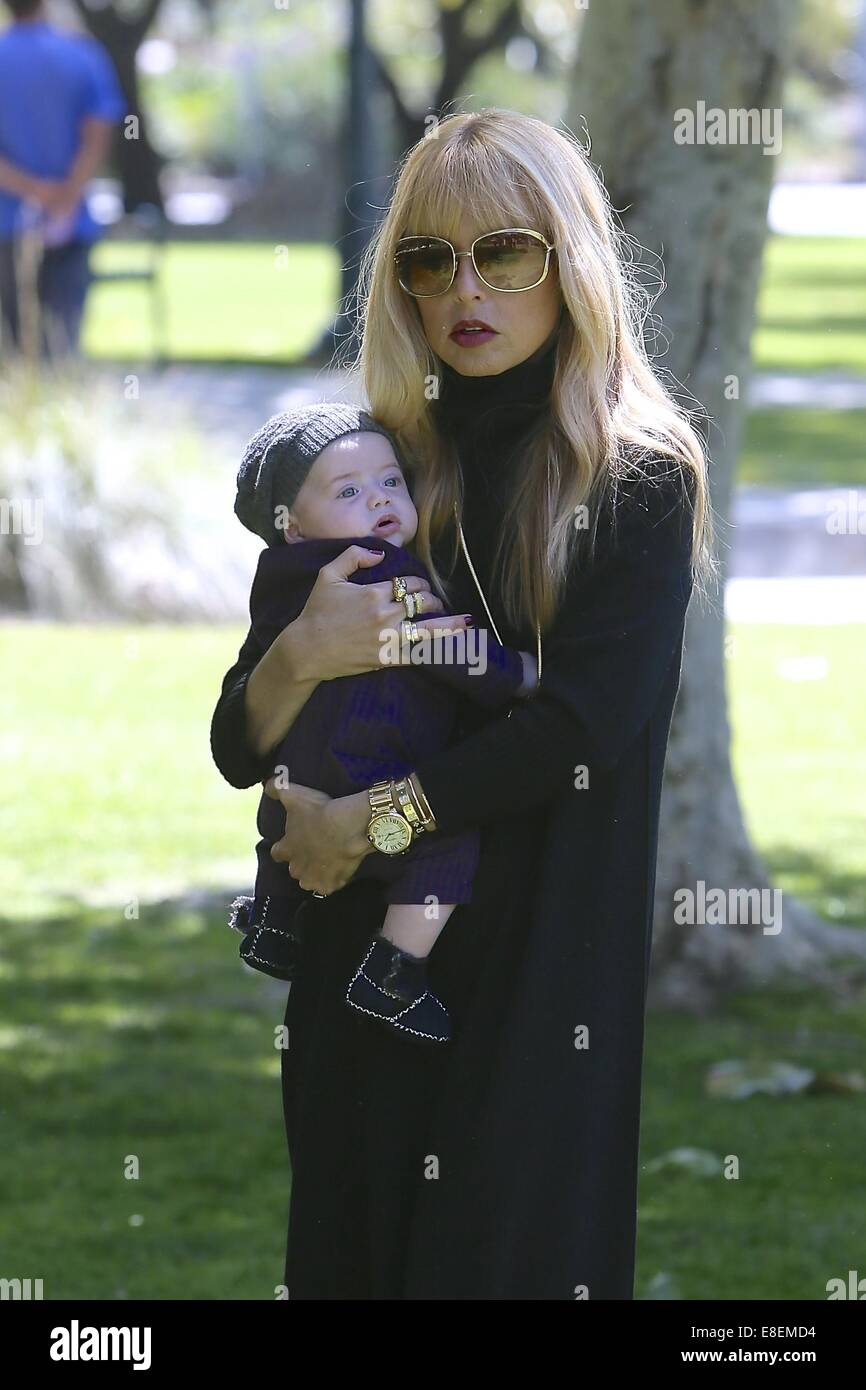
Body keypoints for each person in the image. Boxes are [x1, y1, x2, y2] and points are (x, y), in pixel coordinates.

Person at [209, 108, 717, 1300]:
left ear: (569, 263)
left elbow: (576, 723)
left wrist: (367, 824)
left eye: (504, 253)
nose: (463, 290)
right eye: (427, 260)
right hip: (359, 955)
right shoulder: (377, 464)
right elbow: (238, 740)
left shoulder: (634, 475)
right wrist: (302, 655)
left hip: (539, 963)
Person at [227, 401, 539, 1045]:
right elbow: (441, 645)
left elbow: (242, 717)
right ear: (291, 523)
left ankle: (277, 921)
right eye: (349, 490)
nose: (379, 501)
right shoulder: (379, 570)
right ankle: (393, 971)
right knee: (449, 849)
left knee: (281, 819)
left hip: (300, 769)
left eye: (391, 481)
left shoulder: (281, 582)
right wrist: (514, 676)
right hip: (371, 762)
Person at [0, 0, 126, 357]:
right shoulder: (81, 54)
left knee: (12, 349)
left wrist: (35, 191)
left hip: (7, 224)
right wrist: (66, 195)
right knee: (63, 345)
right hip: (72, 222)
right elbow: (99, 133)